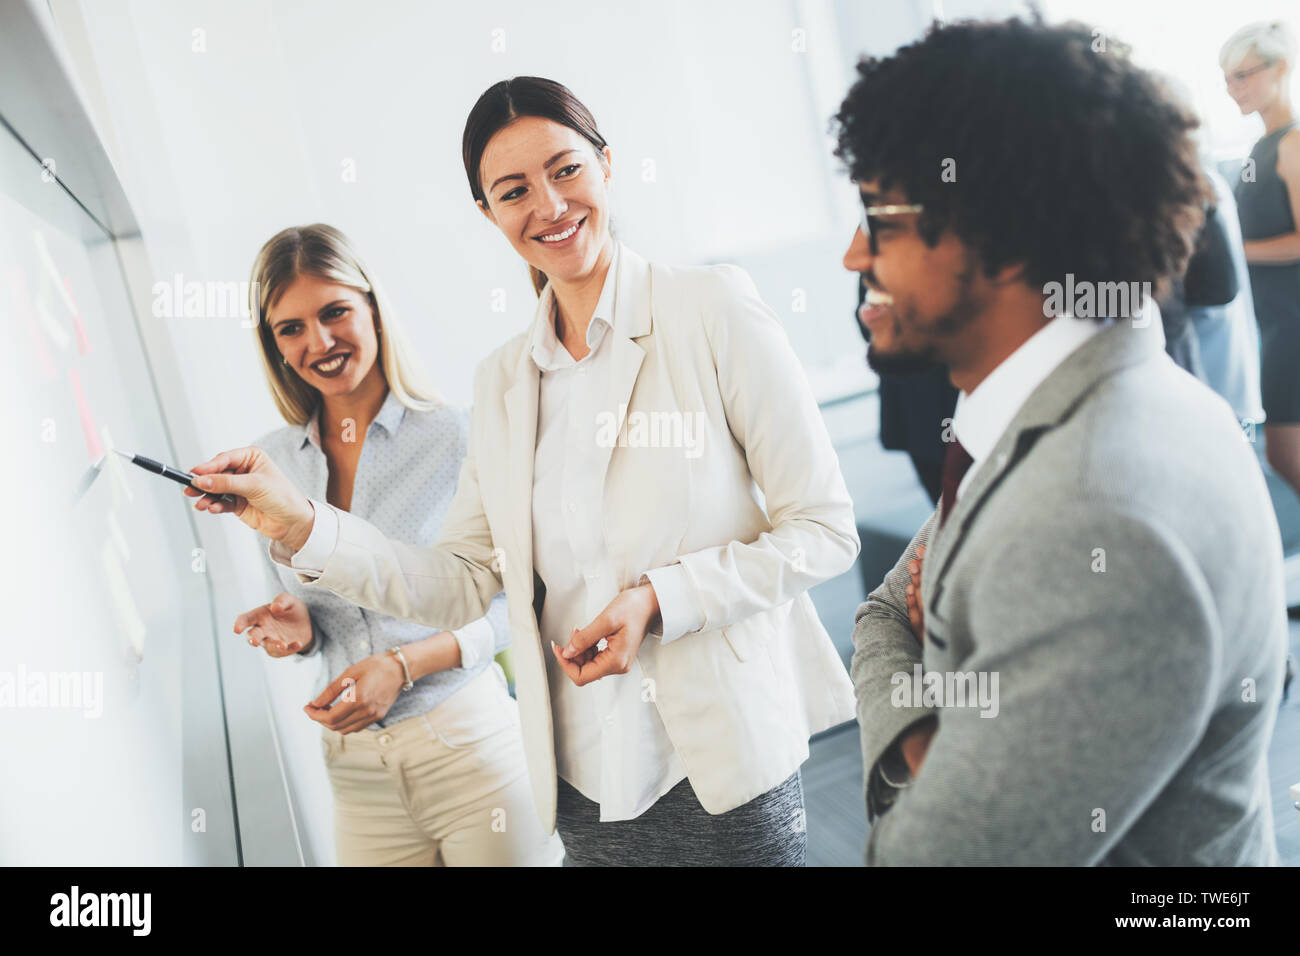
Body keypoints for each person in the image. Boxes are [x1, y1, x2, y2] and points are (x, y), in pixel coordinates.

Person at [184, 77, 860, 867]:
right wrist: (299, 523)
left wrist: (660, 598)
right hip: (583, 775)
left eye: (565, 170)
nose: (547, 204)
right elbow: (464, 581)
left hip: (716, 764)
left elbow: (823, 530)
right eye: (513, 190)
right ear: (488, 214)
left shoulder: (709, 309)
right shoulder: (505, 382)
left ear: (607, 165)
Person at [837, 16, 1287, 865]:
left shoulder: (1092, 512)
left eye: (881, 220)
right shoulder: (1060, 409)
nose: (854, 252)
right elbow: (882, 612)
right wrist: (937, 726)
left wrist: (914, 741)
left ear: (1003, 241)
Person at [233, 223, 562, 866]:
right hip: (358, 776)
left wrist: (404, 666)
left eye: (334, 312)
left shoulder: (459, 438)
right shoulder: (272, 466)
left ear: (374, 310)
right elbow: (306, 612)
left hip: (471, 748)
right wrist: (294, 626)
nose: (319, 343)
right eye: (290, 328)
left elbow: (517, 606)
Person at [1224, 20, 1300, 499]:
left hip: (1293, 322)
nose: (1234, 89)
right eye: (1228, 79)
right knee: (1283, 455)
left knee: (1284, 455)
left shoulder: (1293, 144)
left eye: (1244, 75)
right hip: (1273, 320)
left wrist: (1234, 250)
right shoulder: (1260, 145)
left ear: (1282, 69)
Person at [855, 274, 958, 504]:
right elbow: (864, 324)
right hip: (914, 407)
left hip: (953, 393)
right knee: (943, 507)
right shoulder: (873, 262)